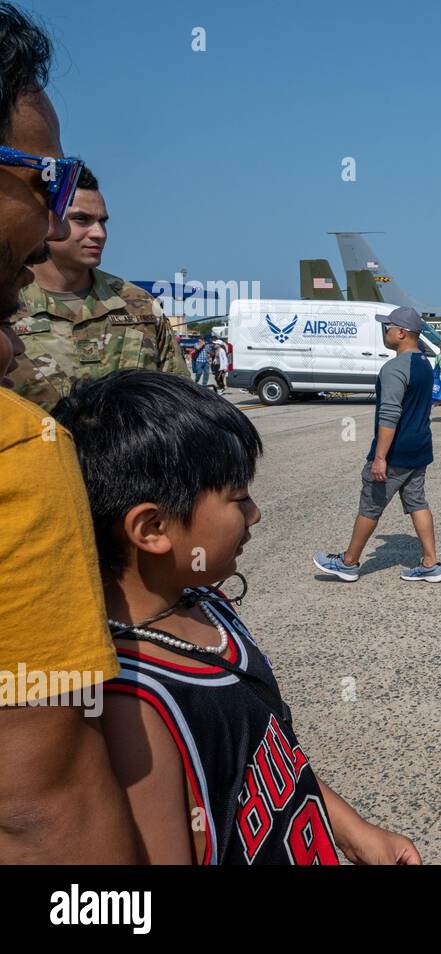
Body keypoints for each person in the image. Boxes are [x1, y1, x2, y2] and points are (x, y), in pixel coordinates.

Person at [54, 371, 419, 864]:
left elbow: (270, 757)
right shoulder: (132, 708)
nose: (255, 514)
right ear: (153, 527)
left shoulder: (205, 604)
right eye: (237, 499)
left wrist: (351, 831)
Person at [0, 3, 143, 863]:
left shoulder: (136, 308)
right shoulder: (21, 454)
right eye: (46, 185)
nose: (61, 223)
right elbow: (43, 805)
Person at [7, 166, 189, 411]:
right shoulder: (7, 302)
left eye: (102, 222)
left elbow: (180, 401)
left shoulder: (138, 304)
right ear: (46, 221)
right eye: (81, 219)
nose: (99, 233)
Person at [314, 307, 441, 583]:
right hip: (420, 449)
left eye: (388, 327)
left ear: (401, 333)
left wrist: (380, 457)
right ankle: (431, 563)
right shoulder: (424, 363)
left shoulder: (394, 368)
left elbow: (390, 415)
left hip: (396, 452)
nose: (385, 332)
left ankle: (348, 563)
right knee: (417, 502)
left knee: (371, 505)